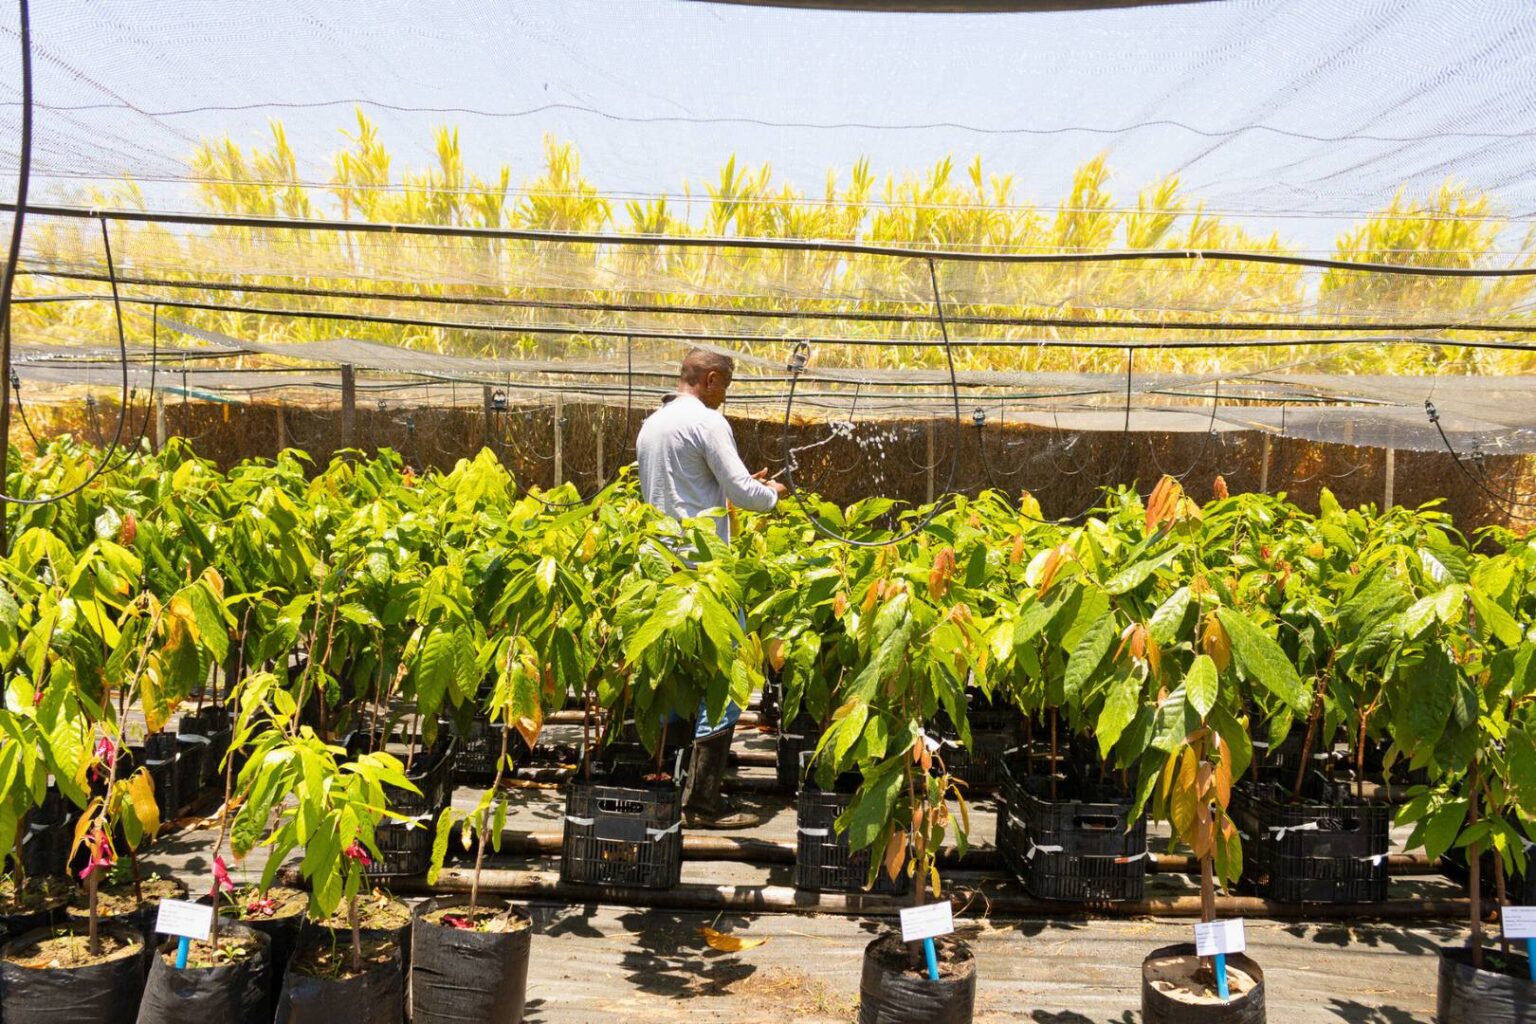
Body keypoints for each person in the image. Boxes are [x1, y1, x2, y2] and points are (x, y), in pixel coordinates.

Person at [636, 348, 785, 829]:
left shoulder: (652, 424)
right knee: (729, 677)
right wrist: (771, 496)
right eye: (728, 385)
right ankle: (702, 801)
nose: (727, 395)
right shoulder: (707, 421)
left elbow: (688, 490)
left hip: (662, 570)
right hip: (706, 574)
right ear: (713, 379)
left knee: (679, 674)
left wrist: (733, 485)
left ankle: (671, 785)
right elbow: (745, 494)